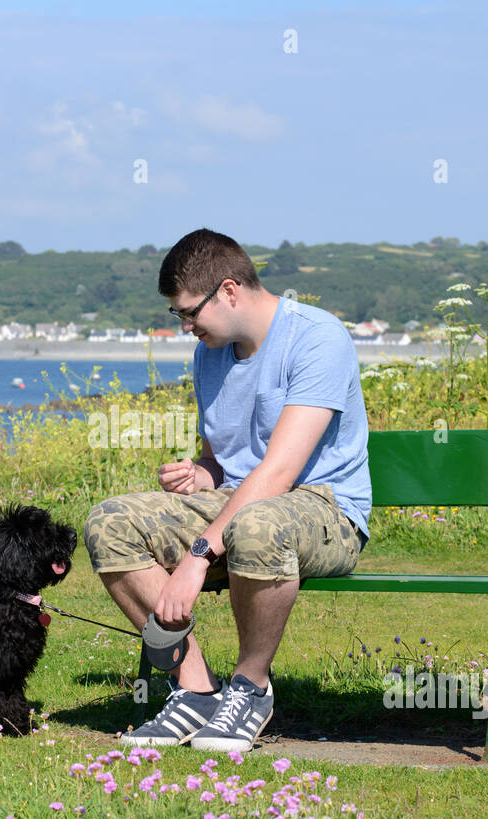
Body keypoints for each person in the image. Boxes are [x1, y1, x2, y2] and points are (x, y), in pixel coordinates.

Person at [83, 228, 372, 752]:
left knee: (258, 525)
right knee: (111, 522)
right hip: (239, 505)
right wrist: (202, 475)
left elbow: (279, 474)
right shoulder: (211, 353)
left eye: (190, 312)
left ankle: (251, 685)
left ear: (230, 290)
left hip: (326, 510)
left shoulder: (317, 338)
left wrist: (197, 556)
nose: (186, 326)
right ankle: (195, 690)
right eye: (179, 315)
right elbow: (229, 460)